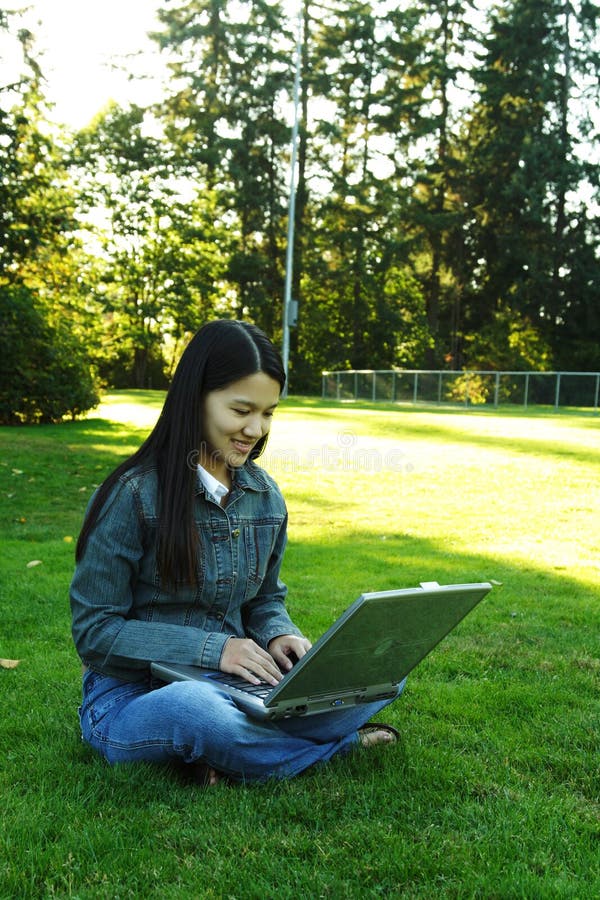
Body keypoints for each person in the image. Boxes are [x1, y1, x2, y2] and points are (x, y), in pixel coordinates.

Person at [70, 319, 404, 785]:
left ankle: (237, 753)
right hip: (134, 697)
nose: (255, 428)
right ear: (196, 397)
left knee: (377, 670)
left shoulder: (265, 496)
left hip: (244, 688)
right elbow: (95, 631)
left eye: (268, 412)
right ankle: (336, 748)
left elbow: (265, 598)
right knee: (198, 711)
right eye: (242, 409)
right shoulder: (130, 496)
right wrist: (216, 649)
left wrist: (278, 635)